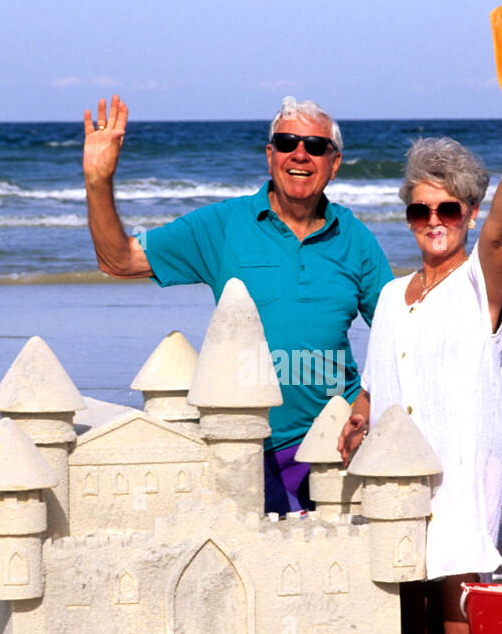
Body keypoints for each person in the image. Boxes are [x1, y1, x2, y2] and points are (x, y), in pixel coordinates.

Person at [83, 94, 392, 514]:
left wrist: (366, 407)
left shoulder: (354, 238)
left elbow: (397, 334)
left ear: (334, 164)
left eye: (315, 146)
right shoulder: (223, 225)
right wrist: (98, 181)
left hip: (334, 445)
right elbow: (118, 260)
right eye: (286, 142)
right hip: (247, 446)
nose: (299, 154)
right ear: (270, 156)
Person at [337, 115, 502, 634]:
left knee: (457, 578)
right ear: (409, 218)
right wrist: (358, 416)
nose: (434, 220)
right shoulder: (389, 296)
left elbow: (501, 235)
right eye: (420, 210)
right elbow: (374, 381)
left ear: (469, 213)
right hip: (400, 463)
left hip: (461, 454)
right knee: (403, 576)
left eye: (448, 208)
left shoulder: (481, 282)